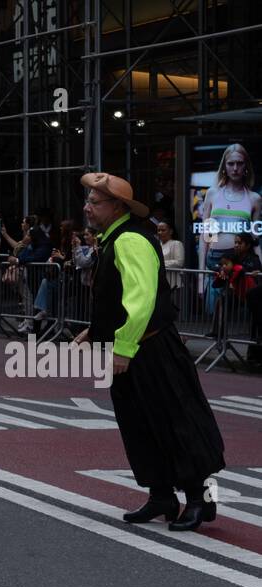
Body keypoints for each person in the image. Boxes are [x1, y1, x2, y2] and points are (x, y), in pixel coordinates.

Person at [77, 172, 225, 532]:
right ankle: (161, 495)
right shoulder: (114, 239)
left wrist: (124, 347)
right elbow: (118, 298)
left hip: (150, 348)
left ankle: (198, 500)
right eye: (89, 201)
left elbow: (140, 300)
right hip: (133, 348)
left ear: (118, 207)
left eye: (95, 203)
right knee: (139, 425)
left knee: (176, 421)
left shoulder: (130, 240)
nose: (87, 208)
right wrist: (95, 331)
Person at [197, 143, 262, 314]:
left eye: (239, 163)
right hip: (214, 261)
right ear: (224, 166)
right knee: (215, 310)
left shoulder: (254, 198)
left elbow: (255, 239)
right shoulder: (213, 194)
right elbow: (206, 235)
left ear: (246, 166)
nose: (235, 168)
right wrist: (200, 275)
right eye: (231, 163)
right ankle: (220, 340)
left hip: (240, 262)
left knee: (236, 311)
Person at [157, 220, 185, 296]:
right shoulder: (158, 245)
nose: (160, 233)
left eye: (163, 230)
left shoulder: (176, 243)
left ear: (170, 231)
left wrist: (159, 263)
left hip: (174, 285)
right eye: (158, 230)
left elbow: (179, 262)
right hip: (161, 285)